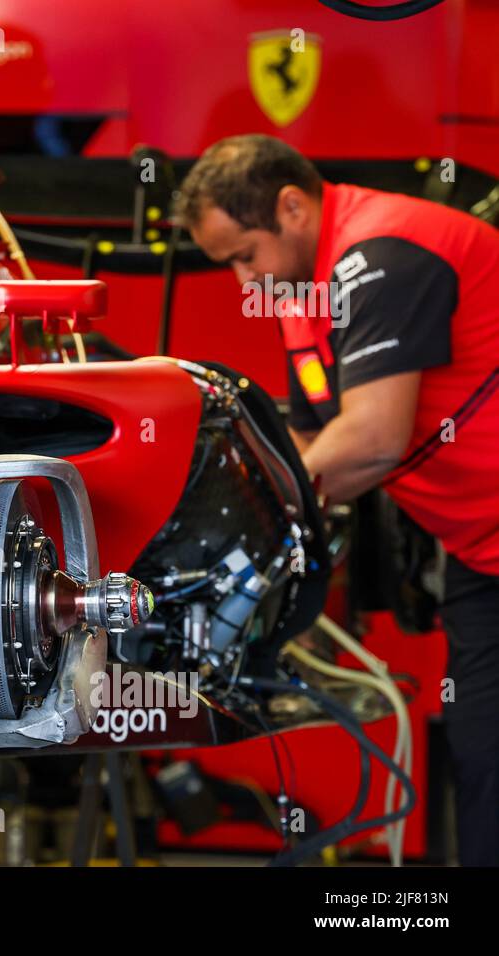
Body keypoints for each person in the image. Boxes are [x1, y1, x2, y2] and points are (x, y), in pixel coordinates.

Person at [176, 134, 499, 866]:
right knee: (485, 761)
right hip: (482, 553)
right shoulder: (303, 292)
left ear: (292, 206)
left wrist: (246, 528)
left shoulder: (384, 253)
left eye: (243, 254)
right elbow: (308, 436)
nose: (240, 278)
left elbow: (374, 439)